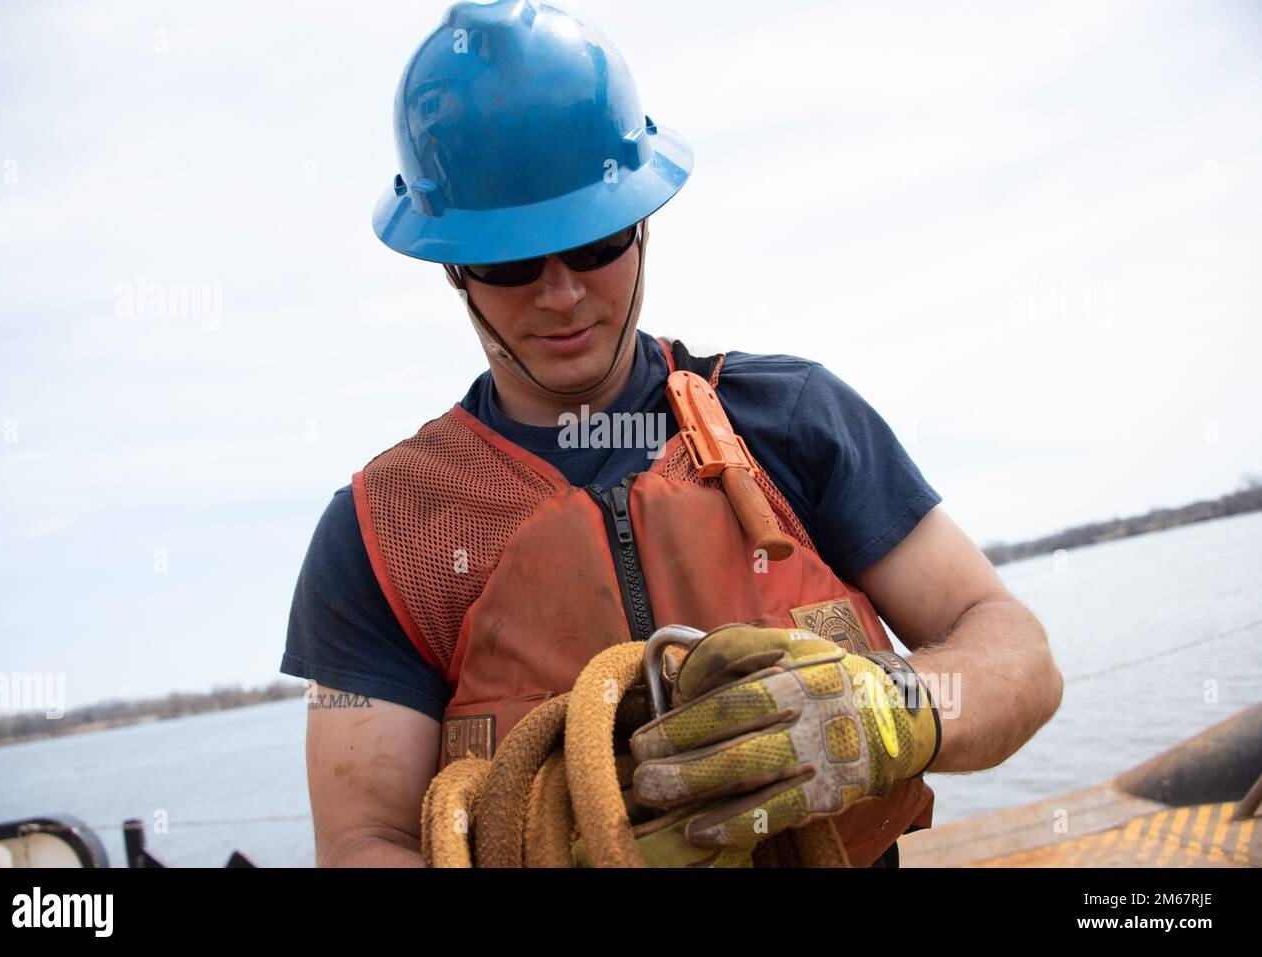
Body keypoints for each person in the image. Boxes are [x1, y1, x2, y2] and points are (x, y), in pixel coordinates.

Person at [280, 0, 1063, 868]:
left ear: (642, 223)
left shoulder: (795, 419)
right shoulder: (381, 537)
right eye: (511, 262)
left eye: (595, 243)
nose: (563, 293)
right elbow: (362, 840)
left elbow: (1013, 647)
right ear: (453, 267)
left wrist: (892, 708)